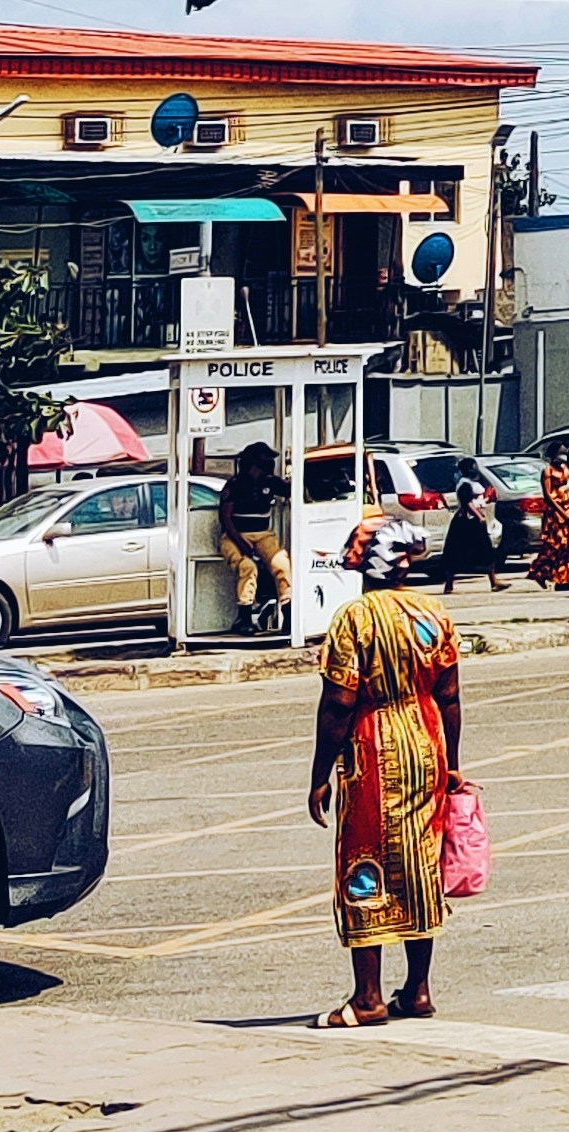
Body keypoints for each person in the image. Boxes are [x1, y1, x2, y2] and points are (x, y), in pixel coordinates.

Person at [308, 519, 461, 1028]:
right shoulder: (434, 613)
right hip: (426, 742)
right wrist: (453, 765)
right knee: (420, 859)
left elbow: (339, 702)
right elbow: (450, 696)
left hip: (372, 746)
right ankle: (417, 990)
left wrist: (319, 774)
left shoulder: (354, 618)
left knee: (364, 859)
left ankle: (368, 997)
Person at [216, 435, 290, 636]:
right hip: (235, 536)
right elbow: (226, 519)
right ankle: (245, 617)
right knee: (247, 567)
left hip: (263, 534)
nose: (268, 467)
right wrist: (242, 545)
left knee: (282, 565)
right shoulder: (235, 485)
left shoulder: (270, 483)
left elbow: (293, 491)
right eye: (263, 463)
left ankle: (288, 613)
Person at [438, 465, 507, 594]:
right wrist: (479, 515)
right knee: (457, 552)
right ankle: (449, 584)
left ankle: (494, 582)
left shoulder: (473, 484)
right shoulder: (465, 485)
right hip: (466, 522)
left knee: (487, 551)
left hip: (473, 521)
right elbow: (467, 503)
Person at [531, 457, 569, 592]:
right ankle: (540, 571)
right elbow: (547, 495)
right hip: (554, 512)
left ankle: (567, 577)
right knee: (556, 545)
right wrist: (561, 512)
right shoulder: (548, 471)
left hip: (566, 507)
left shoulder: (565, 469)